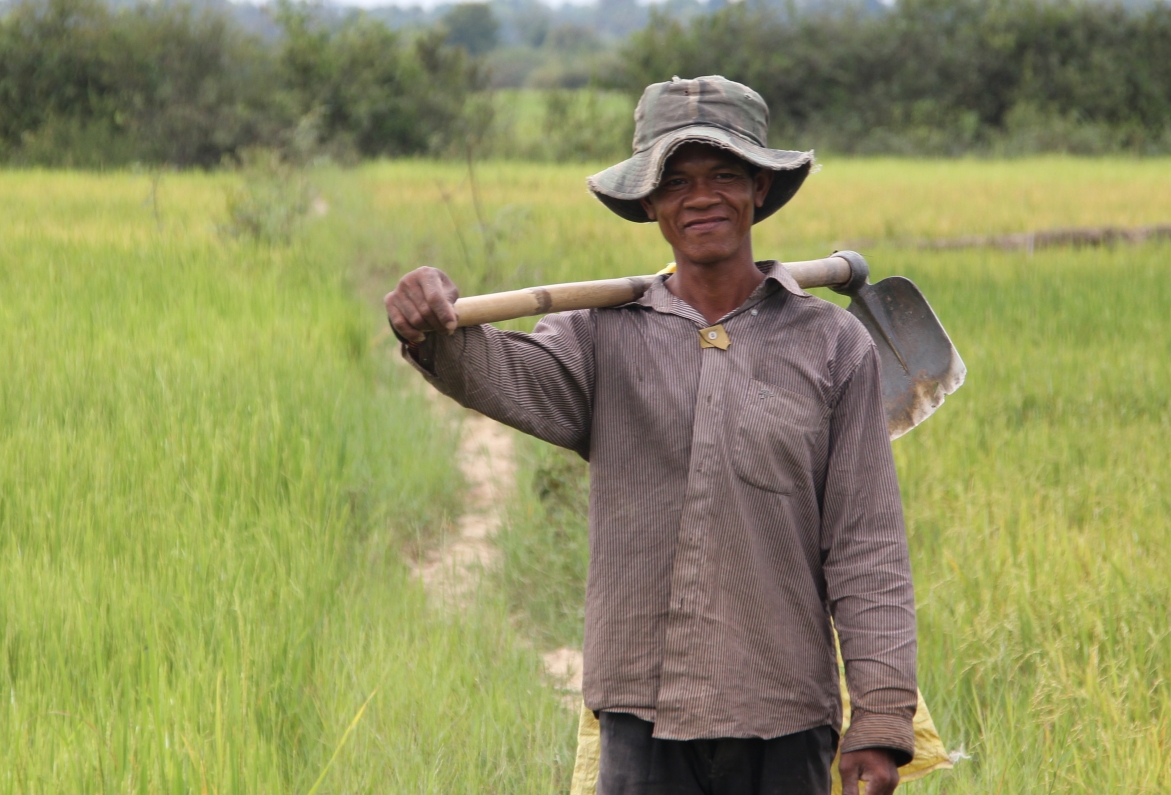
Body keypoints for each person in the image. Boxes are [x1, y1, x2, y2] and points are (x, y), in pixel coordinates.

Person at [385, 75, 916, 795]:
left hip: (786, 714)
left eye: (723, 174)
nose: (701, 198)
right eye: (676, 181)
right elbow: (504, 373)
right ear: (648, 202)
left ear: (759, 187)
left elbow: (866, 544)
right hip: (643, 713)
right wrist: (430, 326)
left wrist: (879, 721)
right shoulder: (598, 336)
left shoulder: (832, 346)